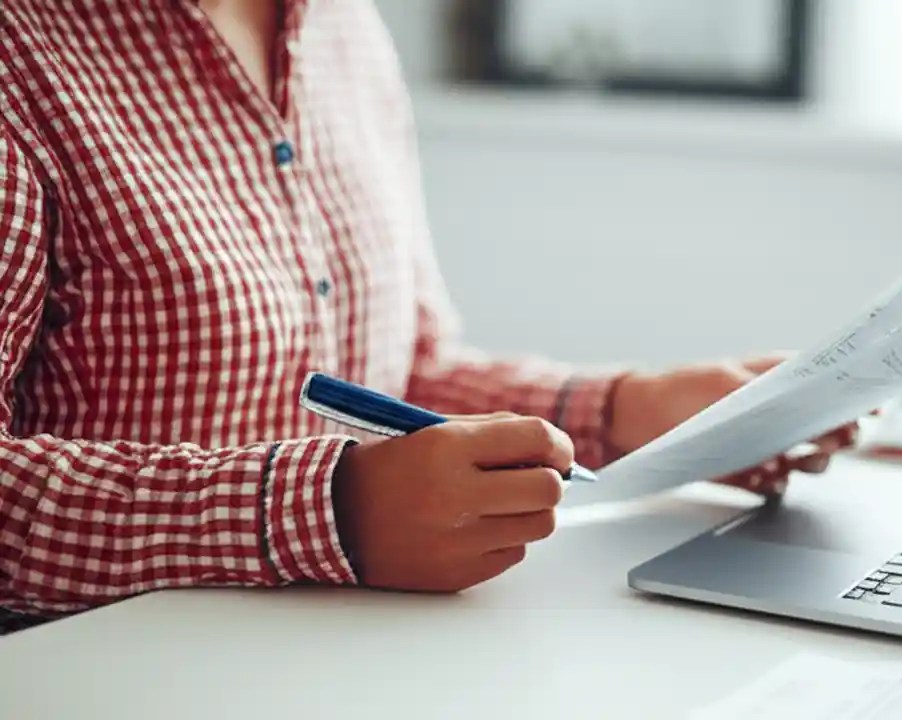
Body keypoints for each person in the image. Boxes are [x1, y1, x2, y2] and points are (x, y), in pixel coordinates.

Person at [0, 0, 854, 635]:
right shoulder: (24, 49)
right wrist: (326, 512)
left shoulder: (345, 30)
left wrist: (628, 410)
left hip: (346, 652)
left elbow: (397, 368)